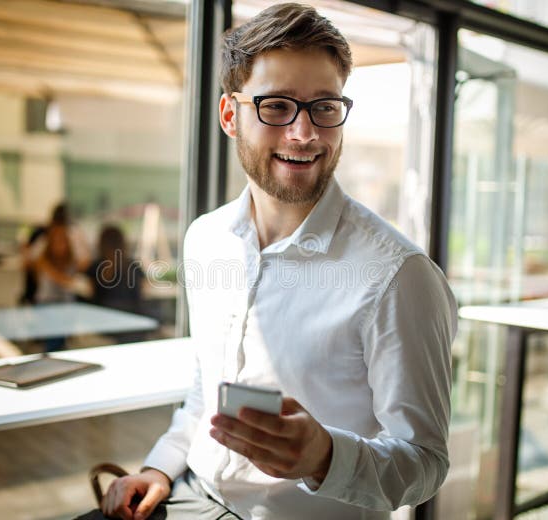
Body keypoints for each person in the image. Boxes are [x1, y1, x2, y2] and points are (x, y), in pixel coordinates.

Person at [91, 4, 457, 519]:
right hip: (193, 496)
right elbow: (206, 390)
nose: (304, 132)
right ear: (229, 116)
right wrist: (158, 468)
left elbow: (425, 463)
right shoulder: (206, 239)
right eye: (277, 106)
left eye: (324, 107)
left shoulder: (399, 276)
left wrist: (325, 457)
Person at [86, 225, 144, 315]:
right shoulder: (133, 265)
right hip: (133, 318)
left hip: (104, 317)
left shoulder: (96, 266)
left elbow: (89, 291)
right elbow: (142, 289)